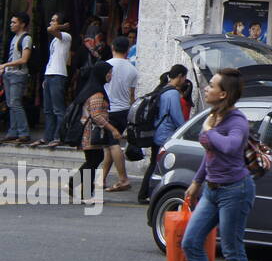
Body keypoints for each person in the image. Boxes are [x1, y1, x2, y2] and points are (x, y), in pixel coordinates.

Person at [177, 67, 256, 261]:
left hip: (235, 190)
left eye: (212, 85)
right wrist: (197, 181)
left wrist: (209, 132)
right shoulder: (214, 116)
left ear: (224, 94)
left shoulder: (237, 121)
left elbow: (231, 147)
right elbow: (211, 155)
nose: (207, 88)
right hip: (211, 189)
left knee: (233, 250)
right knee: (190, 242)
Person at [69, 62, 120, 200]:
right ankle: (84, 191)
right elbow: (96, 115)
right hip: (90, 133)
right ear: (100, 74)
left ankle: (76, 184)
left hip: (90, 132)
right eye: (108, 73)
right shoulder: (97, 92)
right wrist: (113, 129)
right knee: (94, 160)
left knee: (93, 160)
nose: (110, 75)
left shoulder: (93, 88)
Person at [138, 64, 188, 204]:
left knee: (154, 163)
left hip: (157, 133)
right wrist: (186, 130)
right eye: (184, 77)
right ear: (179, 76)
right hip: (165, 135)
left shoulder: (163, 88)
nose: (184, 80)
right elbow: (177, 116)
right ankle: (147, 193)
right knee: (158, 165)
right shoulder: (173, 93)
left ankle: (144, 193)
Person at [101, 36, 138, 192]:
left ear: (112, 47)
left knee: (112, 145)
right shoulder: (133, 69)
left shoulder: (106, 65)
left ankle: (123, 179)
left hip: (109, 110)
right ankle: (101, 179)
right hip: (124, 110)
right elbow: (131, 95)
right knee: (110, 146)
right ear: (128, 50)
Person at [32, 13, 72, 147]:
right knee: (48, 109)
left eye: (54, 20)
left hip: (58, 75)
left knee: (58, 109)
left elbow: (50, 29)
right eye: (51, 20)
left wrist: (62, 26)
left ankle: (58, 136)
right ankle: (47, 136)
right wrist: (45, 76)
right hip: (50, 74)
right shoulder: (55, 40)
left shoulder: (66, 36)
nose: (51, 23)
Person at [2, 12, 33, 144]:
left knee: (15, 103)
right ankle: (13, 131)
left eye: (14, 22)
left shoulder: (26, 38)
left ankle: (24, 132)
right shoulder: (15, 37)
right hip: (9, 74)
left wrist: (5, 65)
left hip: (18, 75)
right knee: (10, 104)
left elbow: (24, 59)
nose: (11, 25)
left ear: (22, 24)